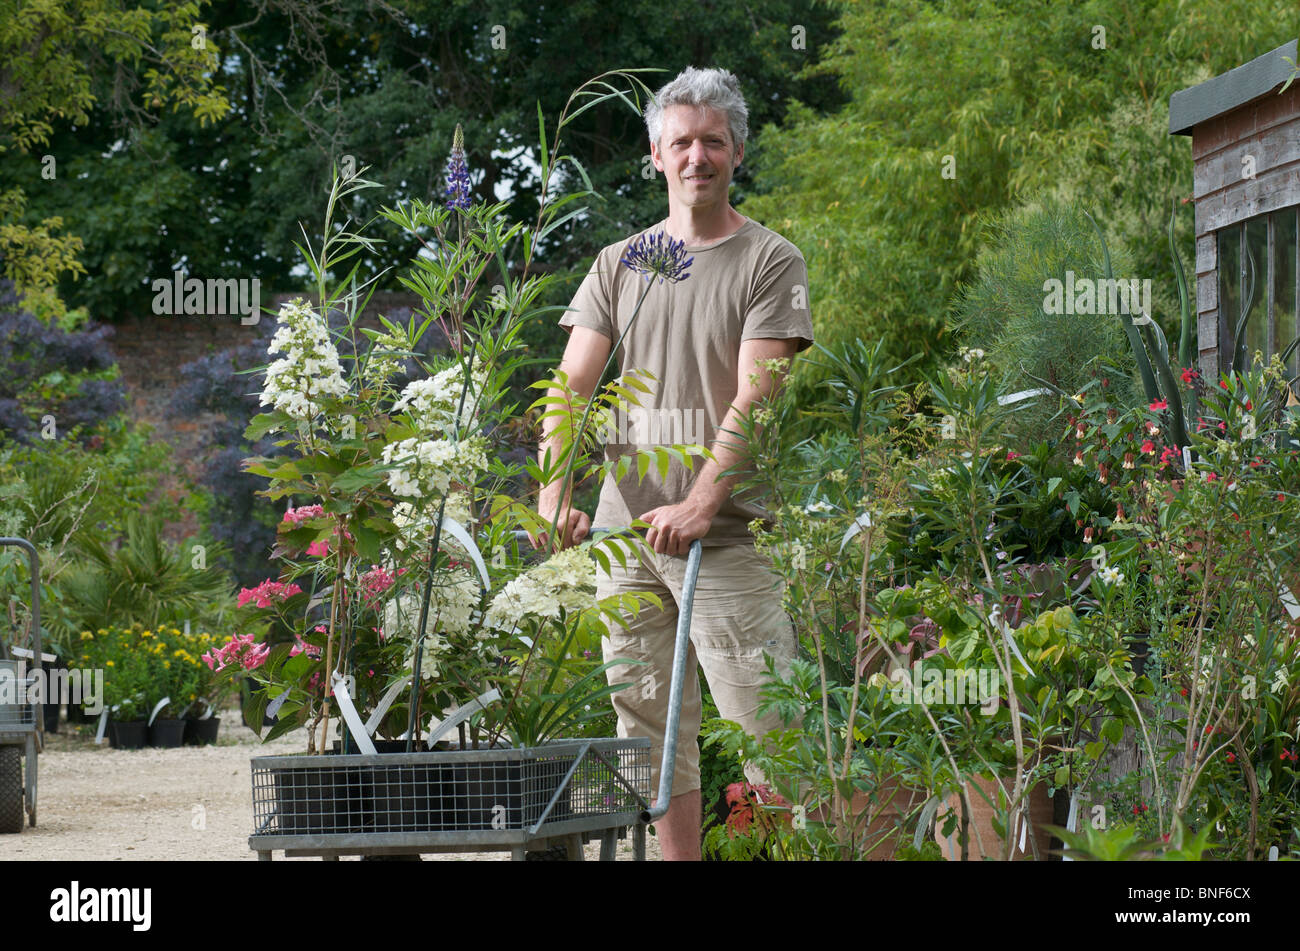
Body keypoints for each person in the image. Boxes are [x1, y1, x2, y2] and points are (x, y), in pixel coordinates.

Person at [534, 66, 813, 860]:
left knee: (769, 723)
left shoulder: (770, 260)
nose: (698, 156)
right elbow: (570, 386)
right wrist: (555, 494)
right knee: (649, 730)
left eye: (713, 142)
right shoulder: (620, 263)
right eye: (681, 142)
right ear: (655, 155)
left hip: (726, 536)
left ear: (737, 153)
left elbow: (755, 396)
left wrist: (698, 505)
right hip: (628, 538)